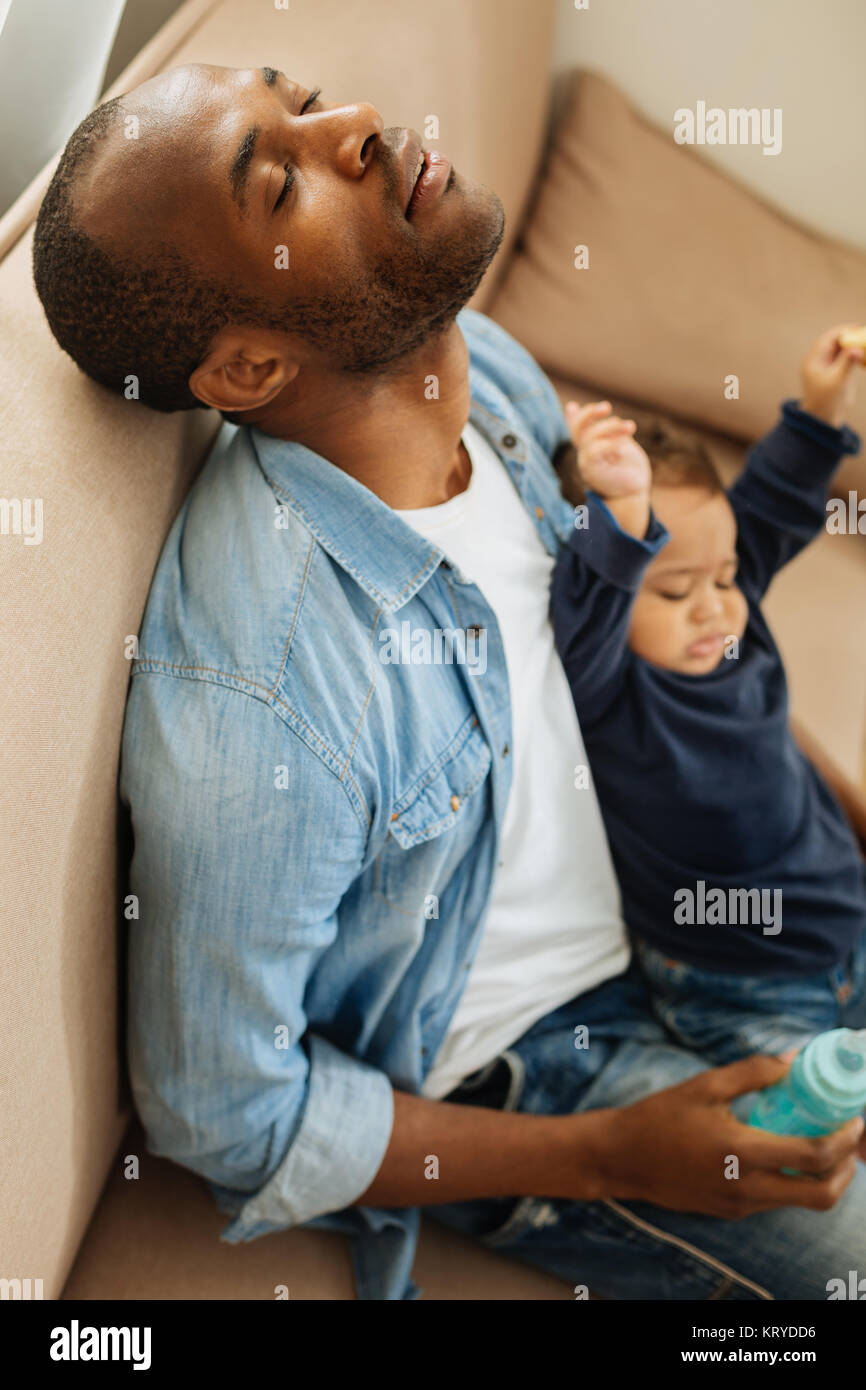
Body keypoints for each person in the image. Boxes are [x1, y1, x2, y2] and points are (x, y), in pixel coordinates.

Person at [31, 63, 866, 1301]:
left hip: (708, 905)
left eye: (301, 99)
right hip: (553, 1071)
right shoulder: (259, 707)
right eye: (279, 181)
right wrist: (601, 1155)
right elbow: (226, 1112)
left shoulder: (483, 378)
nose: (354, 128)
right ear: (251, 373)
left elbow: (657, 644)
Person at [550, 330, 866, 1067]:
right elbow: (594, 593)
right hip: (738, 984)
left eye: (723, 577)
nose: (713, 609)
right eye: (672, 588)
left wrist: (821, 404)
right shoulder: (607, 686)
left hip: (845, 920)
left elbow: (772, 500)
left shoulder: (732, 610)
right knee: (817, 1141)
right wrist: (621, 509)